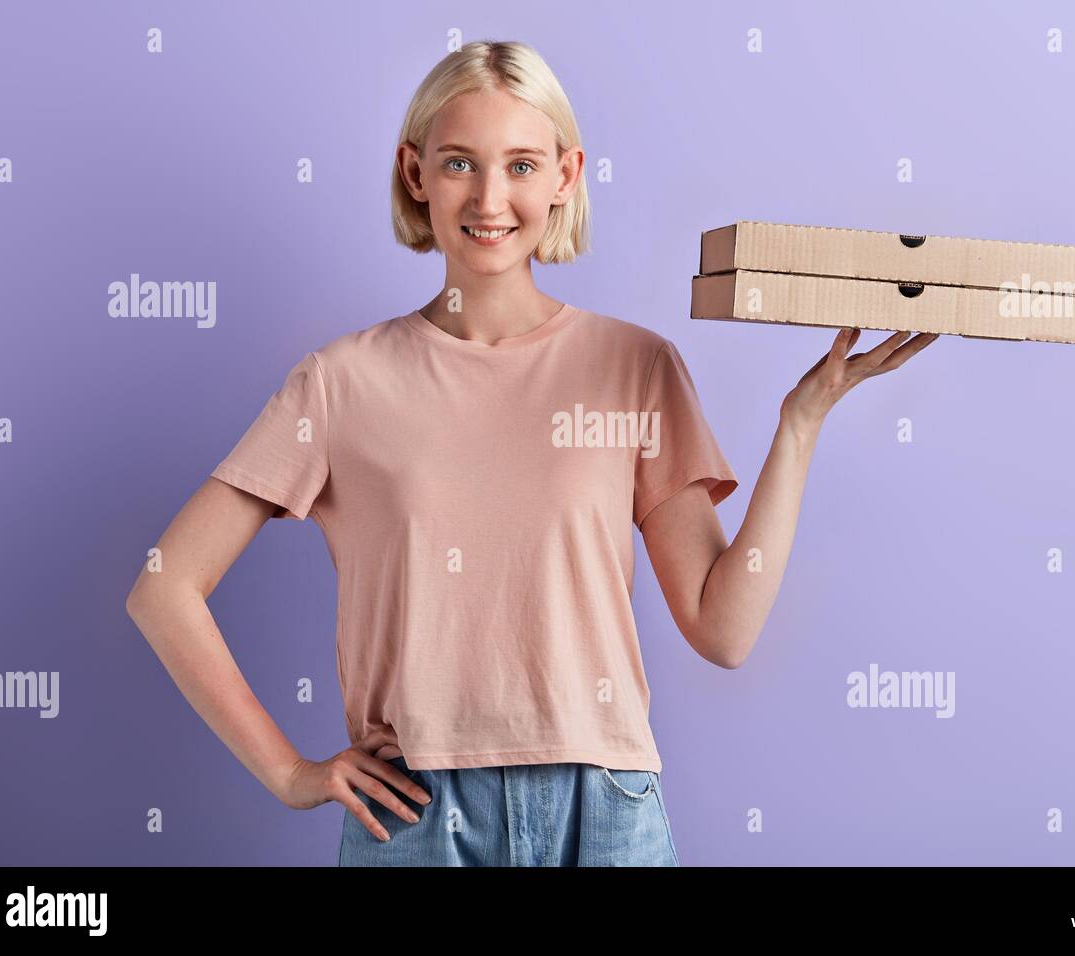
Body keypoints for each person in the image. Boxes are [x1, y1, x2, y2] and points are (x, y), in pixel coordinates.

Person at [124, 39, 937, 867]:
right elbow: (165, 588)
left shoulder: (635, 368)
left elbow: (723, 630)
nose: (489, 197)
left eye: (520, 164)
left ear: (565, 175)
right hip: (416, 812)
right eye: (458, 163)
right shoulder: (340, 384)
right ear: (415, 174)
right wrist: (291, 773)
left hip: (607, 807)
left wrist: (801, 422)